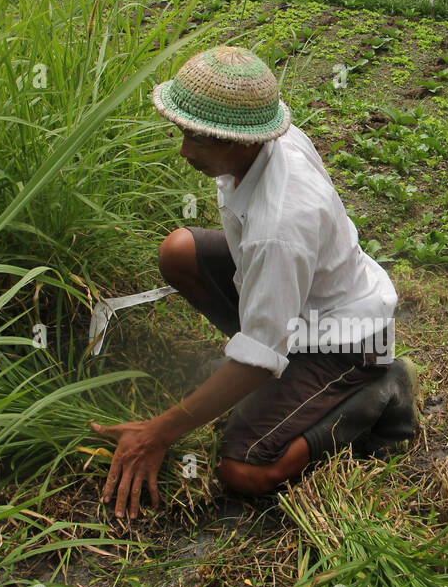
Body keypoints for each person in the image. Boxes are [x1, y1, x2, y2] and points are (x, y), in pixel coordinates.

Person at [91, 44, 417, 519]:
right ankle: (286, 374)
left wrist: (156, 433)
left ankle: (380, 388)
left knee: (245, 470)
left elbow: (258, 358)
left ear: (242, 140)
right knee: (179, 252)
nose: (185, 151)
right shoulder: (262, 144)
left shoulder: (280, 225)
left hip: (345, 340)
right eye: (184, 132)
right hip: (297, 300)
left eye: (200, 139)